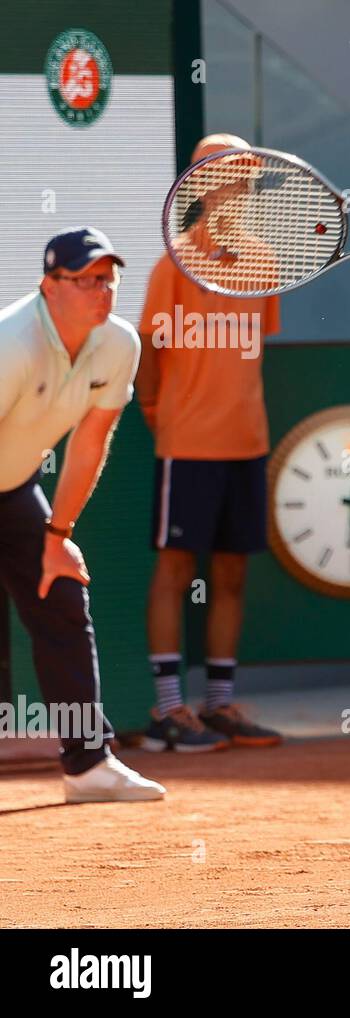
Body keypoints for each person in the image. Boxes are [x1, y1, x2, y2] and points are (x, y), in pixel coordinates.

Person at [0, 228, 165, 802]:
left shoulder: (118, 344)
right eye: (85, 279)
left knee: (62, 596)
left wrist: (57, 535)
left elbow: (90, 442)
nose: (102, 290)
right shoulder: (11, 345)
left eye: (108, 278)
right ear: (50, 286)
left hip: (12, 486)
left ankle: (88, 765)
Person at [135, 134, 283, 752]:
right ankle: (168, 710)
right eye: (224, 177)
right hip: (187, 443)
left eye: (246, 179)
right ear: (196, 186)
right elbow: (148, 351)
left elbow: (254, 350)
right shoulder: (171, 264)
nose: (237, 189)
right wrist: (154, 411)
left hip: (245, 442)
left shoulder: (263, 260)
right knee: (174, 570)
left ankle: (219, 705)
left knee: (231, 576)